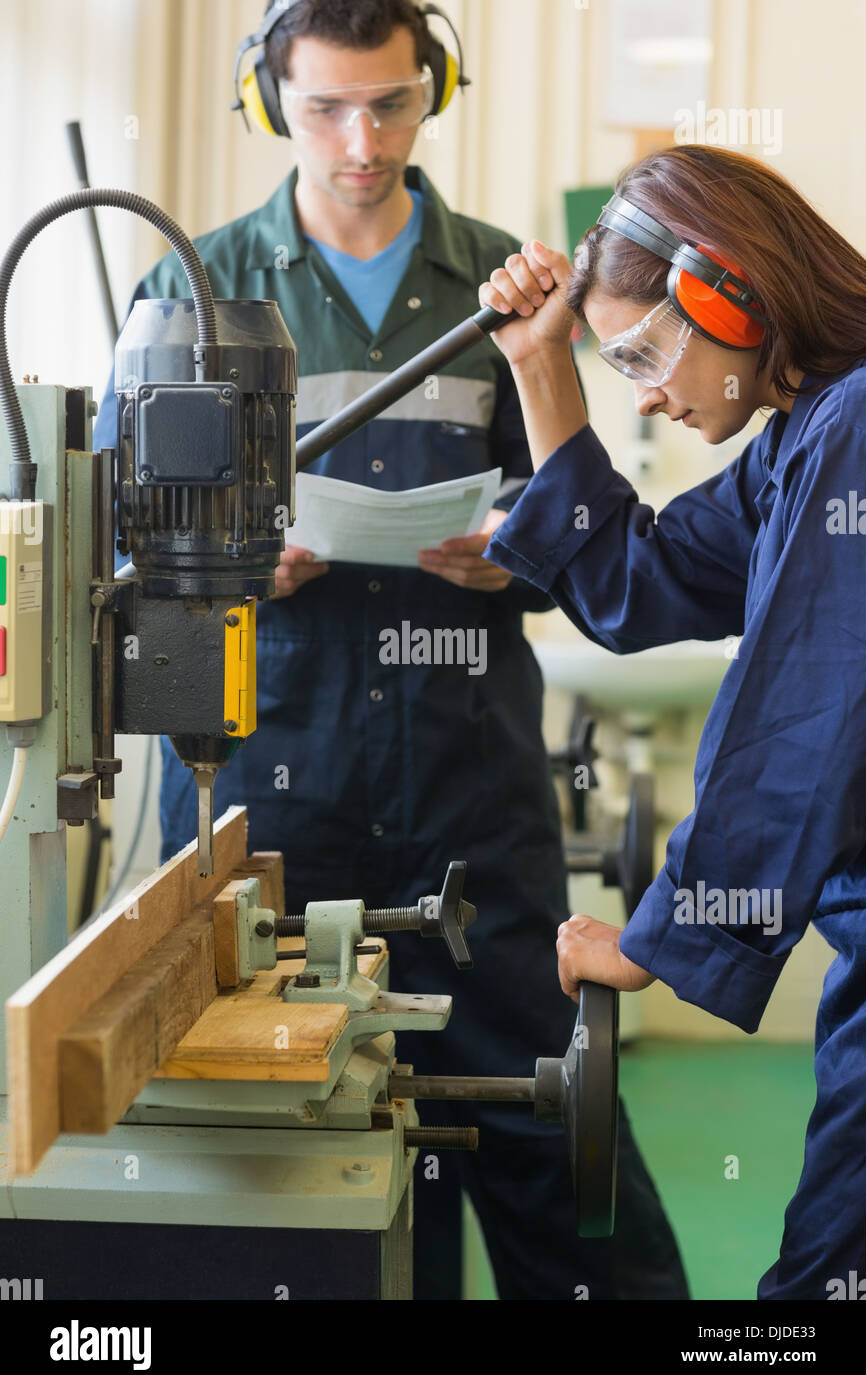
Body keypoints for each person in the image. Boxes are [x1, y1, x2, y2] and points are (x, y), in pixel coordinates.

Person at [95, 0, 689, 1301]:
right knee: (305, 1139)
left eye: (391, 102)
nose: (361, 140)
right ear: (269, 102)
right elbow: (124, 553)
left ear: (435, 90)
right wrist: (231, 566)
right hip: (265, 788)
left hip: (473, 783)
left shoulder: (505, 285)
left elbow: (583, 524)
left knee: (551, 1129)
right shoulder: (191, 291)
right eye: (324, 107)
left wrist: (515, 547)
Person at [478, 141, 866, 1301]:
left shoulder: (852, 428)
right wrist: (539, 364)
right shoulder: (803, 440)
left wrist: (656, 933)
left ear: (725, 290)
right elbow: (632, 583)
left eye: (646, 352)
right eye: (617, 366)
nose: (642, 391)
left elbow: (800, 710)